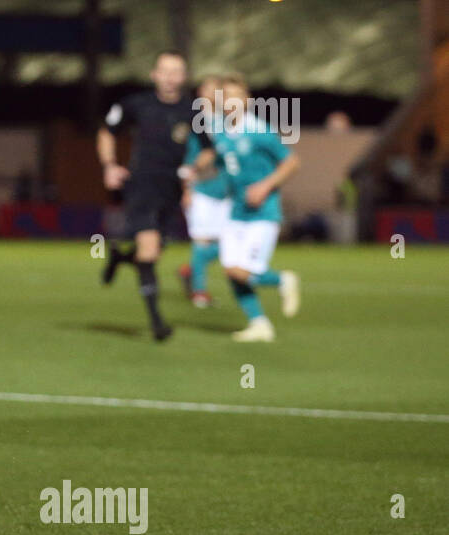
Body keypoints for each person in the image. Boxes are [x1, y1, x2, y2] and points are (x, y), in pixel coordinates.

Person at [97, 51, 206, 340]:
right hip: (141, 187)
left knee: (152, 254)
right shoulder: (135, 104)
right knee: (148, 250)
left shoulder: (192, 110)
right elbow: (107, 131)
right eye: (164, 71)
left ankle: (120, 259)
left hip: (171, 191)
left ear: (183, 77)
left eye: (176, 72)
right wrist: (109, 166)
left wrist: (194, 171)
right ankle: (157, 322)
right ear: (154, 74)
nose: (170, 77)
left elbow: (208, 149)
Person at [204, 76, 301, 341]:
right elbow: (225, 167)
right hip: (236, 212)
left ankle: (283, 280)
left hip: (263, 213)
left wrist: (265, 186)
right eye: (226, 98)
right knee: (231, 271)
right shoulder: (221, 132)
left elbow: (292, 162)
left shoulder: (259, 131)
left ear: (246, 101)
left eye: (236, 97)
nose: (230, 103)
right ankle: (259, 324)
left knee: (243, 271)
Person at [177, 74, 232, 308]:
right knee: (202, 241)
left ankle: (189, 269)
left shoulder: (227, 121)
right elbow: (185, 158)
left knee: (228, 243)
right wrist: (186, 189)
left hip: (224, 191)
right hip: (200, 188)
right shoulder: (192, 121)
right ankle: (199, 292)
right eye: (210, 88)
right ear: (200, 92)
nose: (214, 93)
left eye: (219, 89)